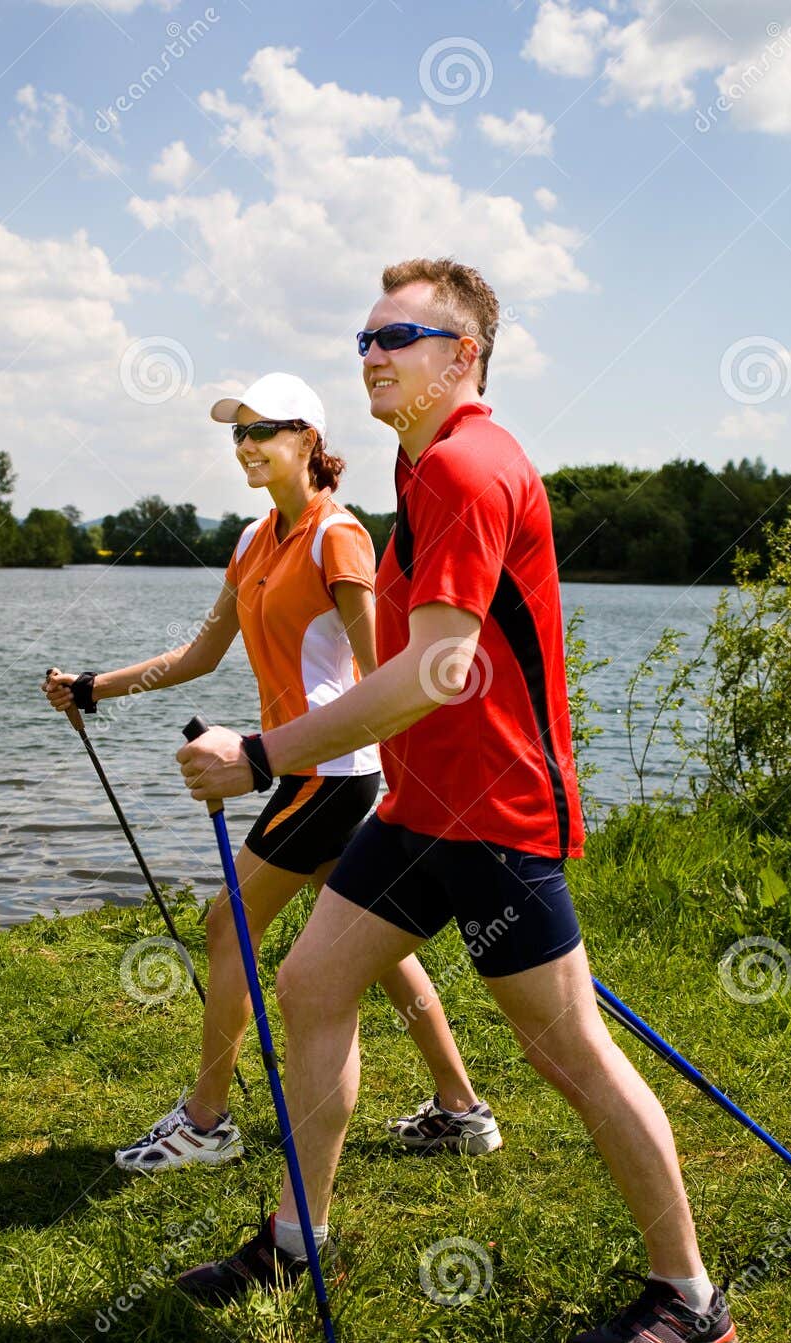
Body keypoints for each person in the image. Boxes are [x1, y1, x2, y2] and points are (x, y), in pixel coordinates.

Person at [174, 262, 739, 1343]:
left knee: (569, 1052)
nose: (371, 354)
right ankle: (295, 1241)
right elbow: (412, 667)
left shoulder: (469, 468)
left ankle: (689, 1301)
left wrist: (261, 753)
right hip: (421, 808)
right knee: (310, 982)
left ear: (461, 355)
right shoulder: (417, 462)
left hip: (493, 821)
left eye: (398, 335)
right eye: (364, 337)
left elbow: (433, 671)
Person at [44, 370, 498, 1178]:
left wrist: (405, 769)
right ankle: (461, 1110)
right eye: (237, 434)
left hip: (329, 772)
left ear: (309, 442)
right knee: (374, 942)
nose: (247, 446)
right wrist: (94, 685)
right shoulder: (256, 540)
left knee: (227, 924)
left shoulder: (339, 537)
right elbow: (200, 656)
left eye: (264, 430)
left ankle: (206, 1121)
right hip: (303, 769)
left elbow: (382, 667)